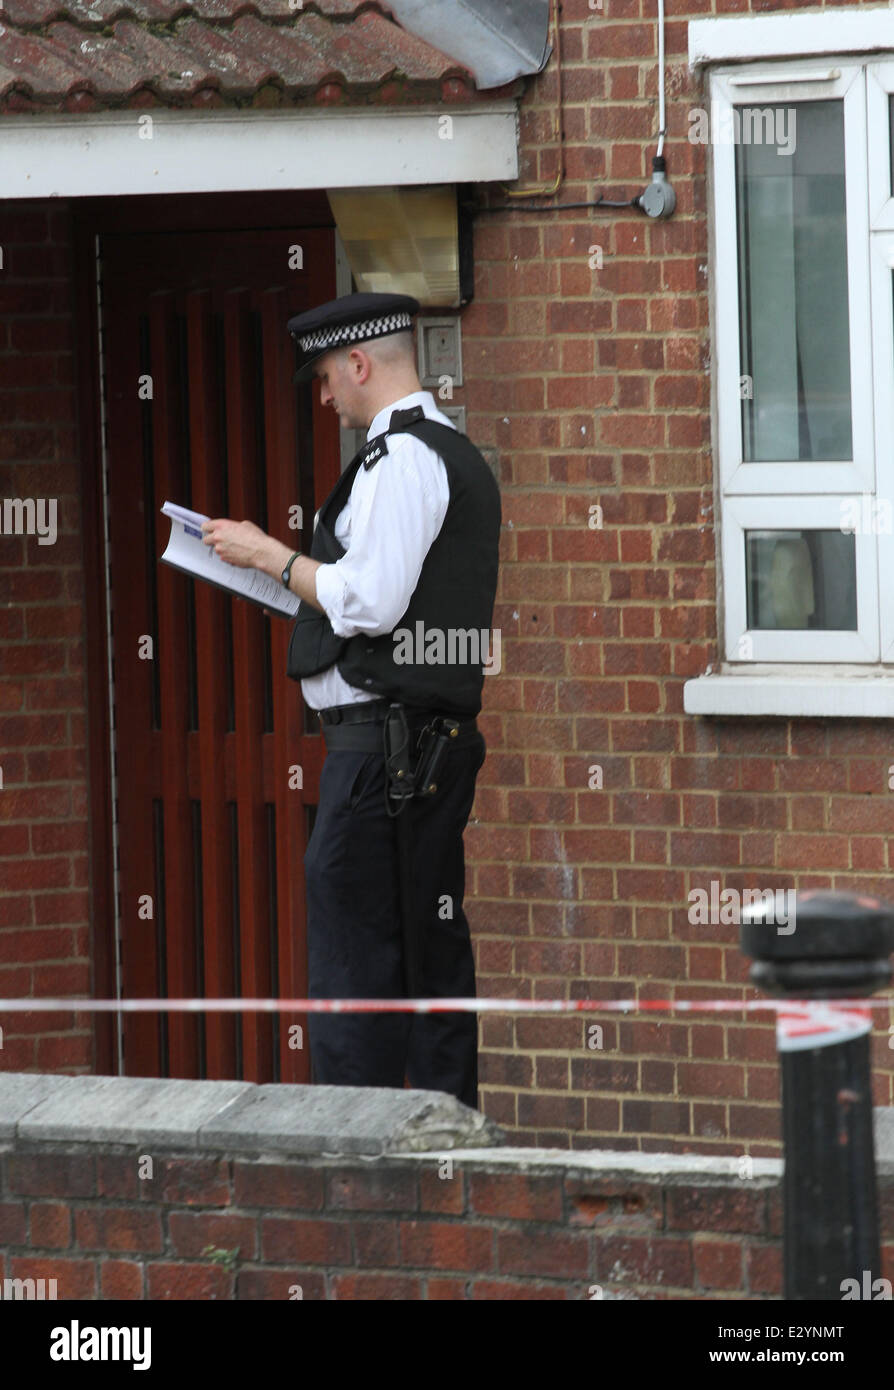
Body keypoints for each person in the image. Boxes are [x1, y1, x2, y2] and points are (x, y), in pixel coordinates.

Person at [201, 291, 501, 1109]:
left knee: (355, 958)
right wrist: (294, 577)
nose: (325, 396)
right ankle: (439, 1146)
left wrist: (270, 556)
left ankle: (357, 1160)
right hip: (407, 748)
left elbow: (367, 601)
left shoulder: (401, 457)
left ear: (360, 364)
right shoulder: (437, 451)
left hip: (386, 753)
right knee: (418, 950)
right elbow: (366, 599)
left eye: (328, 378)